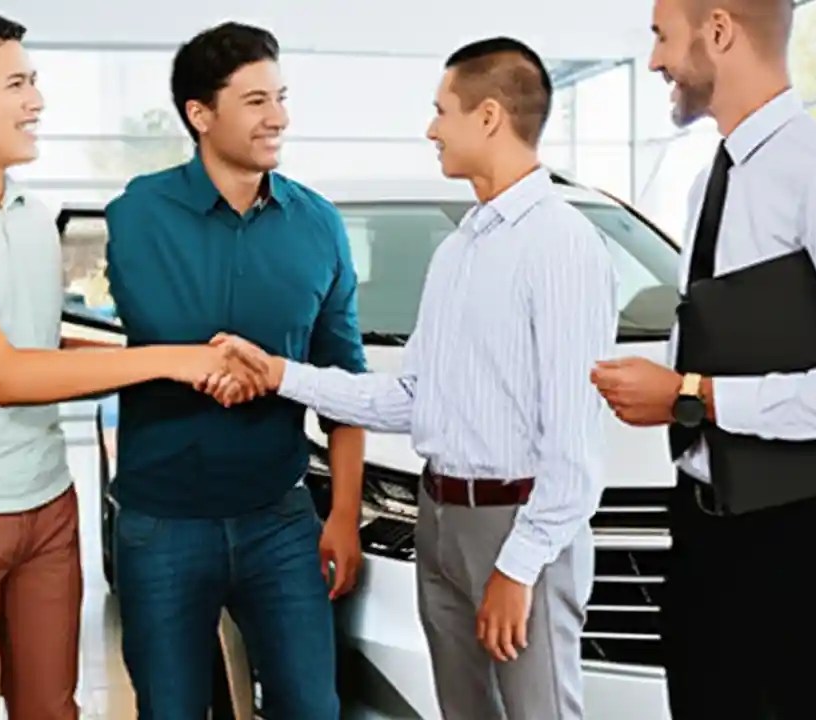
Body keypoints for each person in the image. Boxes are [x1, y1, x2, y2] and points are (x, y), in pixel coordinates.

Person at [209, 37, 618, 720]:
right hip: (440, 519)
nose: (431, 129)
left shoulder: (561, 244)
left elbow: (575, 445)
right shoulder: (458, 252)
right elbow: (410, 399)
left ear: (488, 117)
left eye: (442, 111)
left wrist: (518, 568)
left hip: (517, 526)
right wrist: (280, 373)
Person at [0, 9, 252, 719]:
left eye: (35, 81)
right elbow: (7, 375)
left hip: (45, 503)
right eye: (17, 84)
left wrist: (178, 361)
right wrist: (175, 360)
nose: (36, 101)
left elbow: (40, 348)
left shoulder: (29, 214)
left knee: (54, 707)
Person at [590, 1, 816, 718]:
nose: (653, 61)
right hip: (704, 542)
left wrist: (694, 394)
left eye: (661, 37)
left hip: (809, 555)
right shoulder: (705, 185)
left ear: (718, 31)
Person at [100, 22, 367, 720]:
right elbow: (167, 330)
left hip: (280, 517)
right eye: (254, 100)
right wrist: (244, 367)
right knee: (172, 709)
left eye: (279, 96)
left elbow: (345, 380)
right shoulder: (138, 213)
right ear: (200, 113)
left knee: (312, 707)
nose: (276, 116)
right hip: (163, 523)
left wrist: (341, 513)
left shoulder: (319, 225)